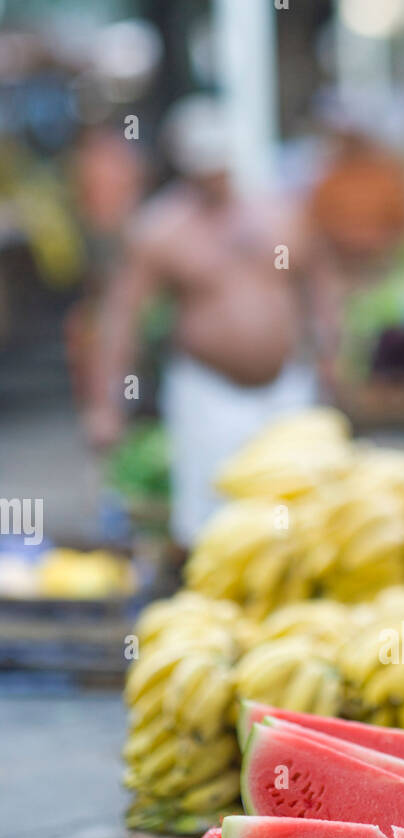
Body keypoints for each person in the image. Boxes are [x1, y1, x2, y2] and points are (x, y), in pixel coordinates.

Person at [84, 95, 316, 547]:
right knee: (213, 523)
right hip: (209, 394)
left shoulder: (279, 214)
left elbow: (316, 283)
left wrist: (329, 352)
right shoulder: (161, 229)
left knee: (295, 517)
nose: (213, 177)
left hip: (286, 388)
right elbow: (122, 318)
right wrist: (105, 405)